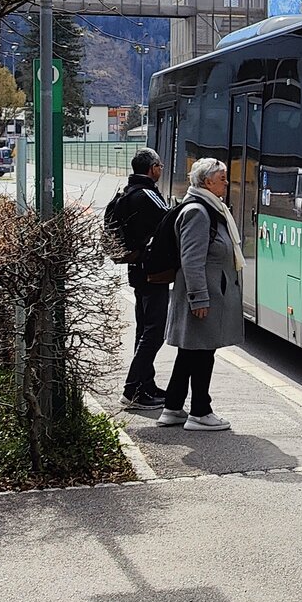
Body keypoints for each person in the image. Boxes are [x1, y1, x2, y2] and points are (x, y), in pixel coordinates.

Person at [160, 157, 244, 432]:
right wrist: (199, 298)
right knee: (203, 354)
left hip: (205, 291)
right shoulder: (198, 211)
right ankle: (200, 411)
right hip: (202, 293)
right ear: (207, 182)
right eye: (222, 178)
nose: (226, 183)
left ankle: (172, 408)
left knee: (190, 352)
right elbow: (192, 259)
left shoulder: (208, 207)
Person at [103, 148, 171, 410]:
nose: (161, 170)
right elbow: (168, 221)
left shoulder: (126, 193)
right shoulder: (146, 194)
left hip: (137, 269)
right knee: (154, 333)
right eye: (160, 166)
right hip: (152, 271)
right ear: (152, 168)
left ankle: (146, 384)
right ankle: (133, 389)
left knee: (144, 330)